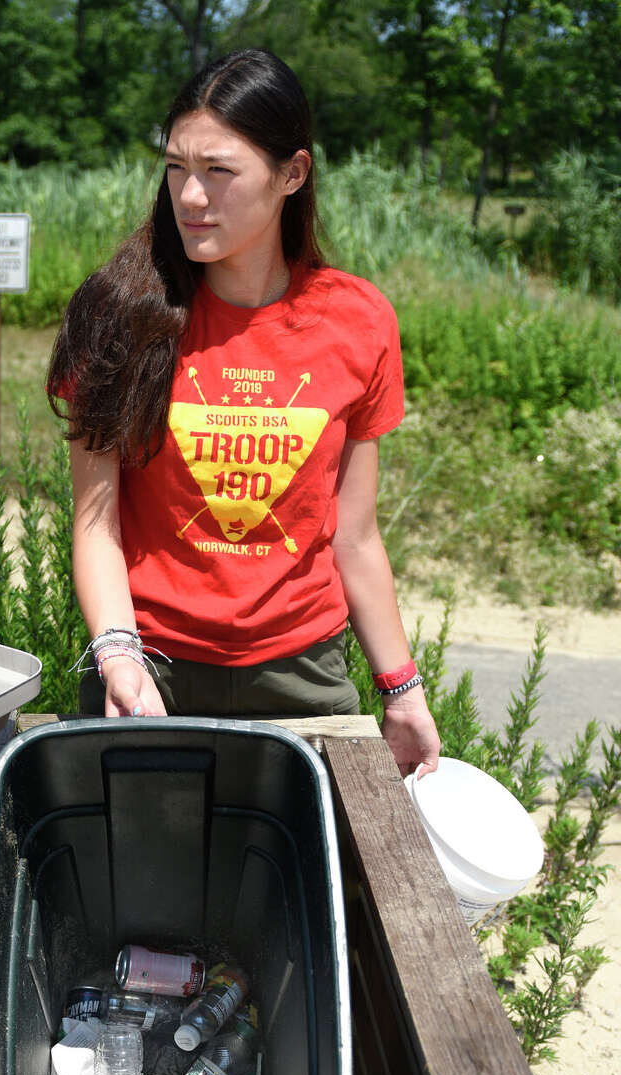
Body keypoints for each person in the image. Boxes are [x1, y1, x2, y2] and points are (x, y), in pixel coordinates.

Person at [47, 48, 440, 777]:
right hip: (148, 670)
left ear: (292, 173)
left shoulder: (358, 320)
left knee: (306, 885)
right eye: (175, 168)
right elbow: (95, 524)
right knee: (135, 889)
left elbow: (353, 536)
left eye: (219, 172)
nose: (189, 196)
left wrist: (402, 688)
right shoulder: (118, 315)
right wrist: (118, 653)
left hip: (304, 676)